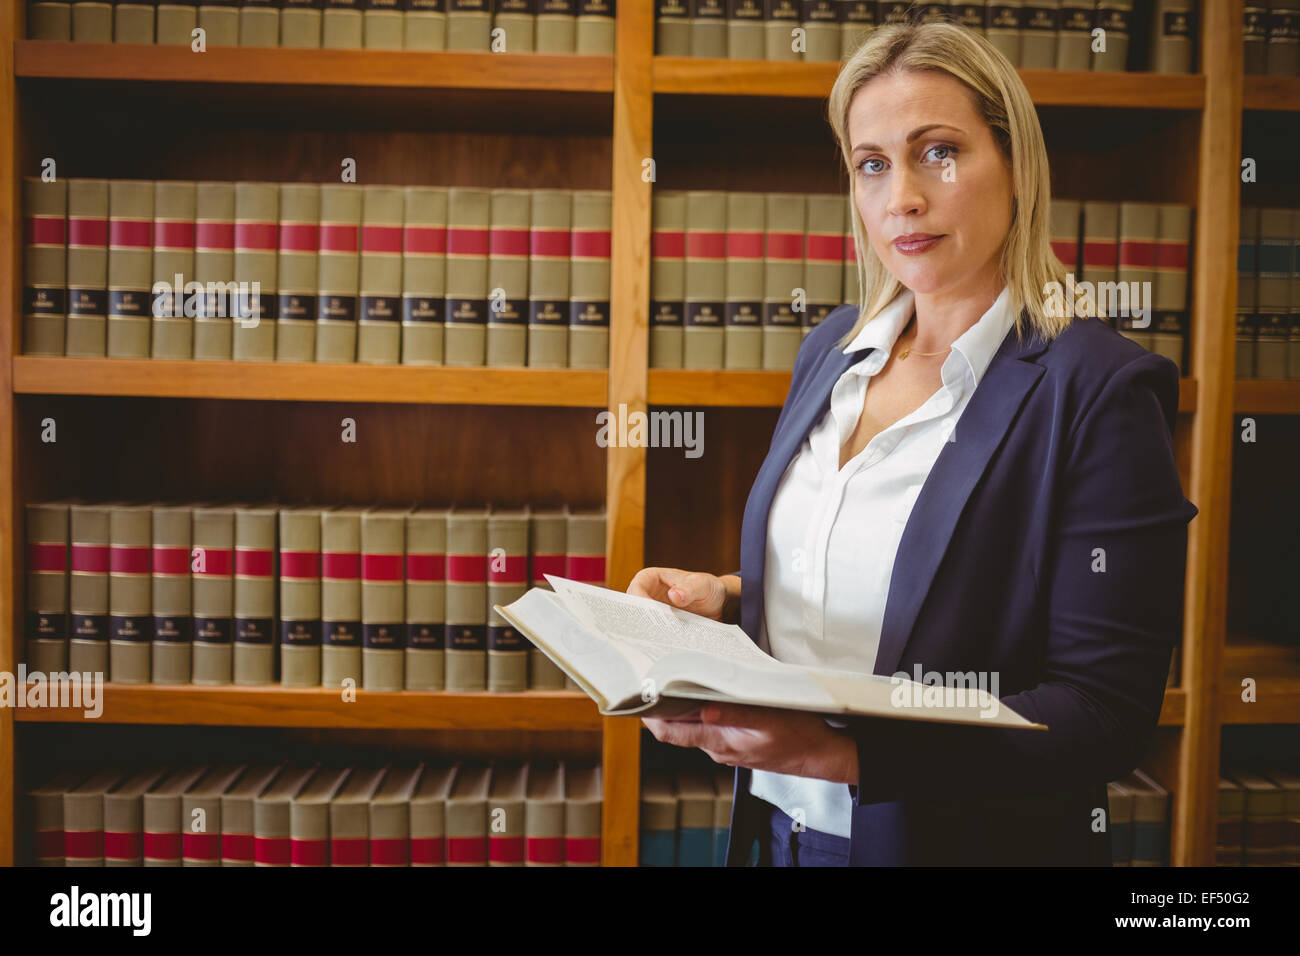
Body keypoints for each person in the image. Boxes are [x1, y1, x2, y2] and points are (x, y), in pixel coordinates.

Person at [628, 21, 1199, 866]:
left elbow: (1103, 713)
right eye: (873, 163)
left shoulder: (1098, 391)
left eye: (938, 152)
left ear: (1015, 165)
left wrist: (842, 754)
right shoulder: (832, 350)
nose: (902, 197)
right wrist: (727, 600)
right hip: (772, 836)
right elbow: (897, 597)